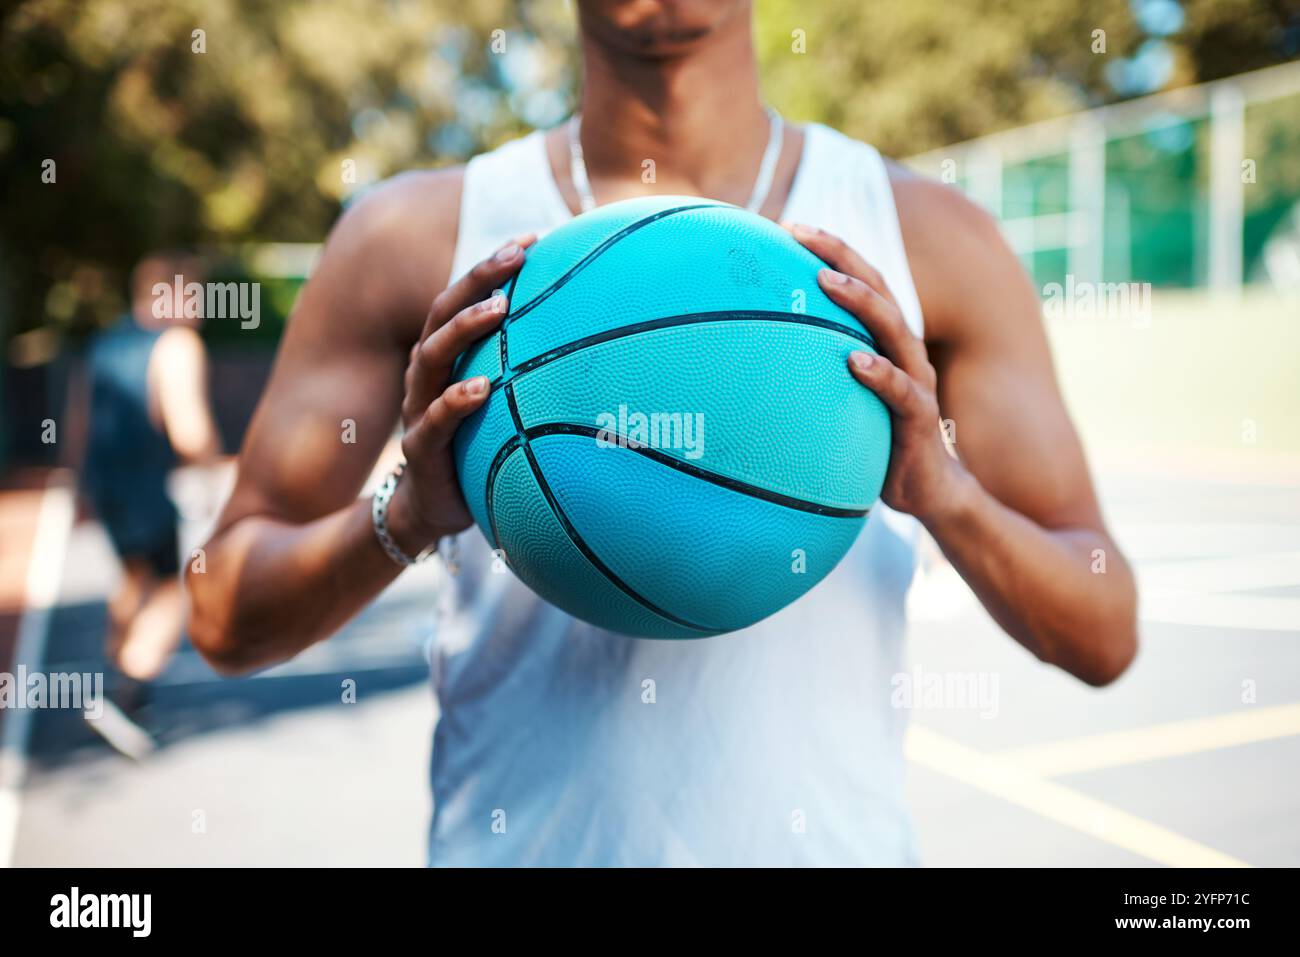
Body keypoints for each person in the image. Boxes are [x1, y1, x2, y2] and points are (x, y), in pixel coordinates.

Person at [187, 0, 1138, 865]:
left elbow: (1104, 629)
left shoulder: (930, 236)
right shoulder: (408, 237)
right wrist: (407, 515)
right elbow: (222, 614)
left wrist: (945, 494)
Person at [82, 252, 222, 687]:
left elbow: (78, 421)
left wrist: (79, 488)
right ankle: (130, 684)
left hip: (106, 484)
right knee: (173, 592)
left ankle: (112, 678)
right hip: (145, 487)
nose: (201, 307)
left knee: (133, 576)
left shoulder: (106, 342)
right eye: (195, 296)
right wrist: (218, 474)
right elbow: (190, 433)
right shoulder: (177, 344)